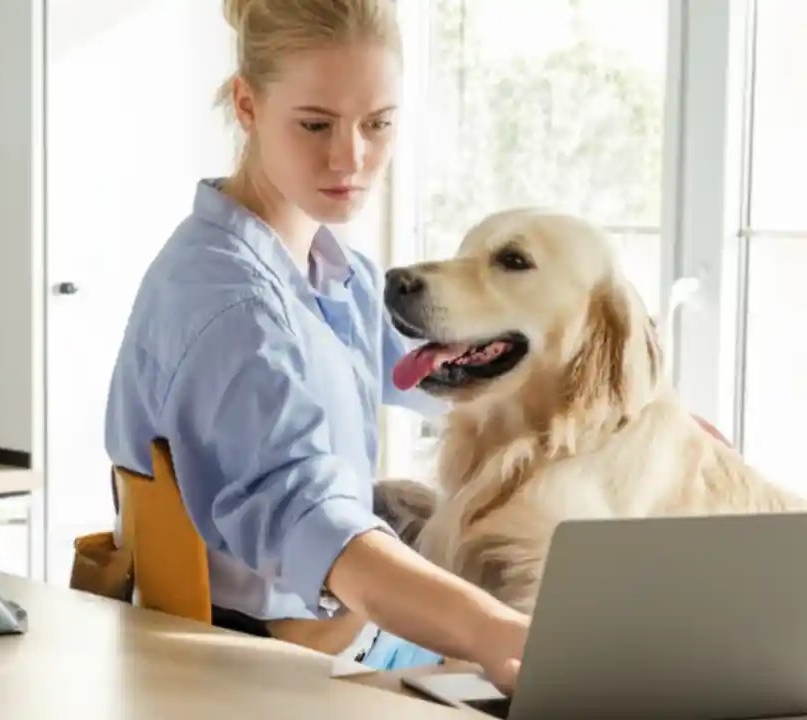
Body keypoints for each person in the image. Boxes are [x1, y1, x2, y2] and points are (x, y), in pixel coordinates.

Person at [103, 0, 529, 690]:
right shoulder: (233, 304)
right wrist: (495, 630)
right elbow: (314, 526)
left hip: (345, 642)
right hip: (266, 672)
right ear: (247, 105)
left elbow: (442, 380)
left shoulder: (332, 270)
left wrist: (628, 409)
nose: (350, 158)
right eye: (315, 125)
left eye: (377, 124)